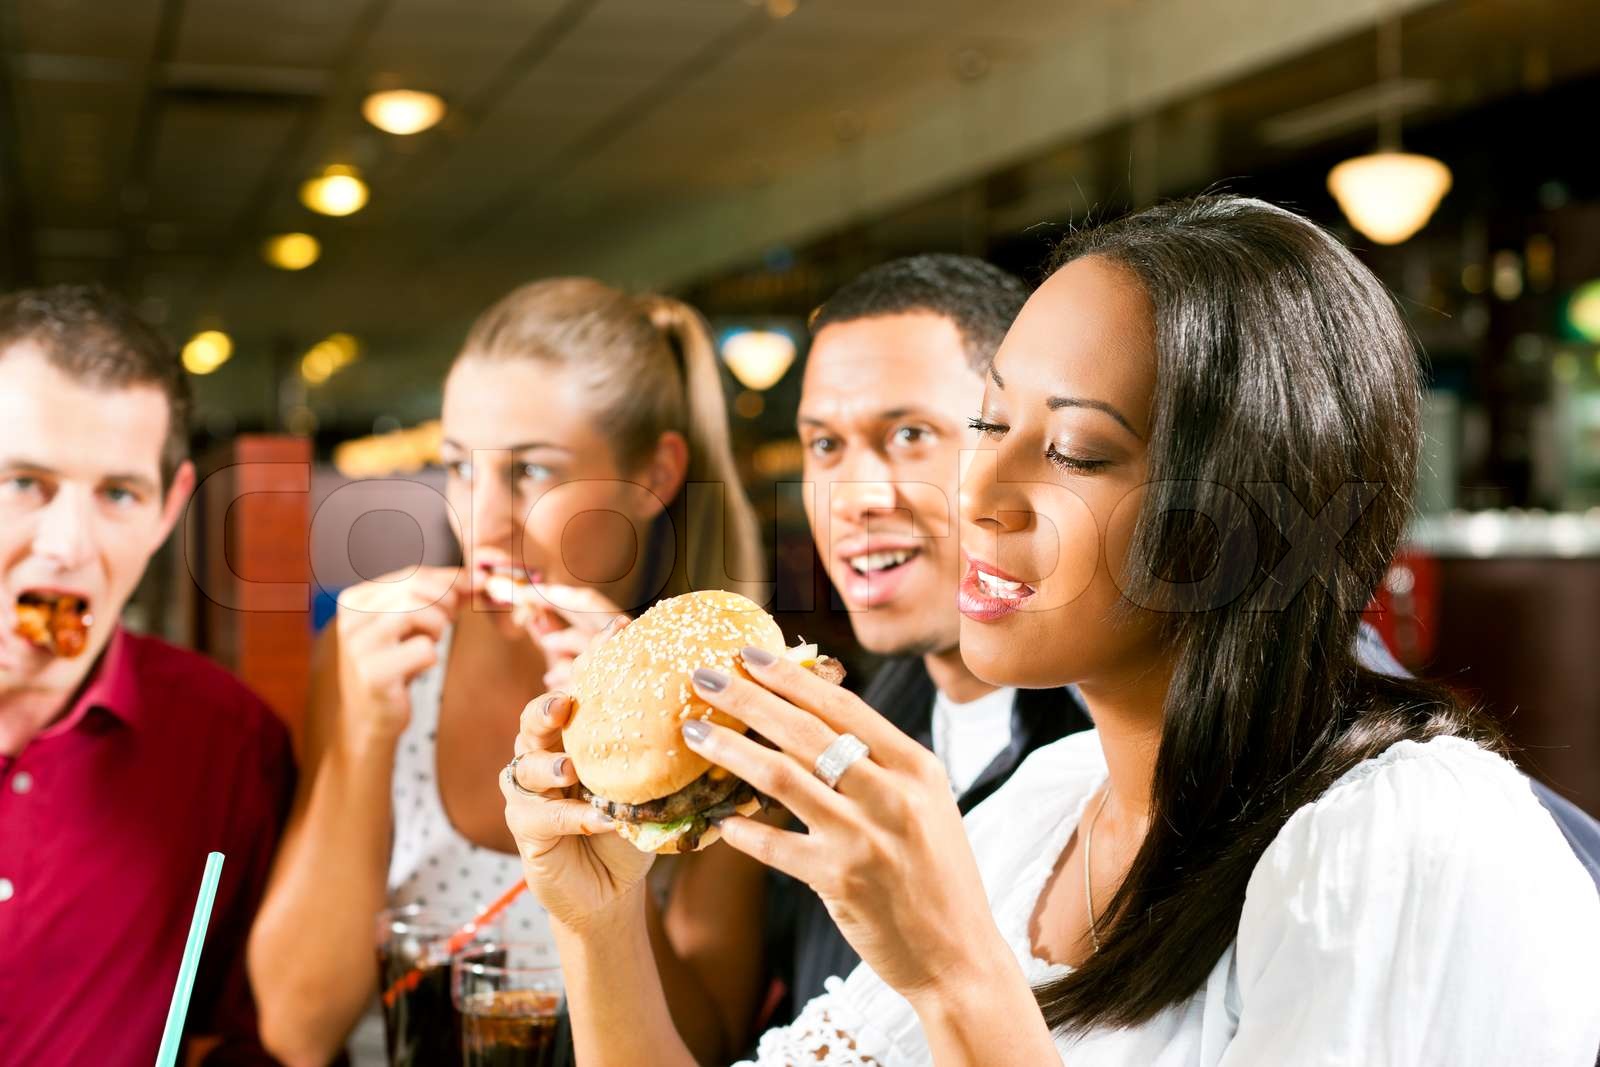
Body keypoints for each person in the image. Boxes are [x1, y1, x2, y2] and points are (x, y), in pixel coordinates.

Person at [502, 197, 1600, 1065]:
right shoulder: (1046, 807)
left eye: (1074, 451)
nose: (978, 492)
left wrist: (954, 973)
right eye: (990, 422)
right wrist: (598, 923)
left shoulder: (1410, 834)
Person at [248, 278, 766, 1066]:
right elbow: (297, 1028)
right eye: (459, 466)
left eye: (531, 472)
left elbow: (708, 1045)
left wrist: (615, 772)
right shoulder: (380, 659)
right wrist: (367, 734)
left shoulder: (725, 698)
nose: (482, 521)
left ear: (656, 475)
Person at [658, 255, 1093, 1056]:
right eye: (825, 444)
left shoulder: (1117, 752)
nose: (854, 497)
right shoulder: (829, 732)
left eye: (909, 435)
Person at [0, 285, 294, 1065]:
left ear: (169, 509)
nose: (67, 545)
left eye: (118, 493)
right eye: (23, 482)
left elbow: (253, 1038)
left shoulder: (232, 745)